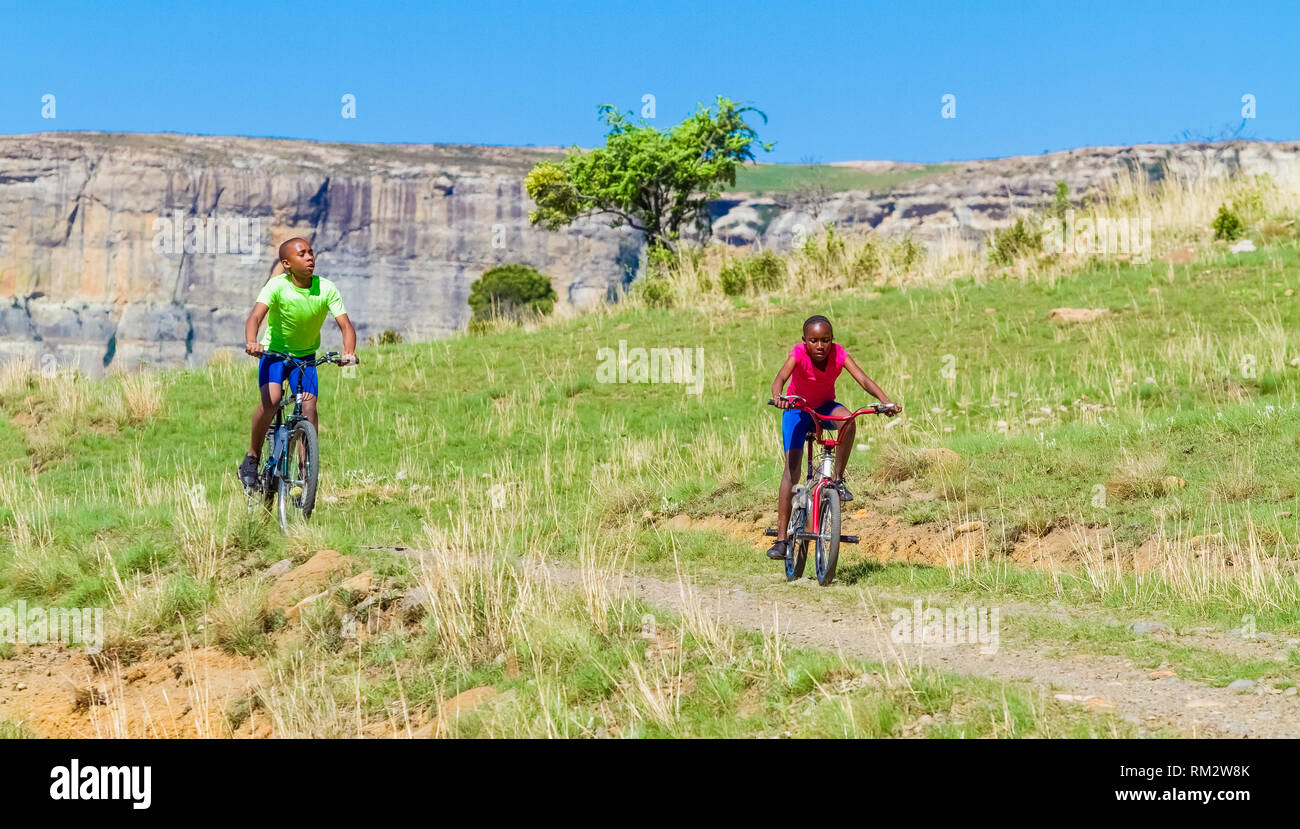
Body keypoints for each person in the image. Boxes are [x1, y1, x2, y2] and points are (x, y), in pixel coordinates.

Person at [766, 314, 900, 560]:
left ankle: (837, 479)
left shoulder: (839, 354)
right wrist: (779, 396)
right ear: (804, 341)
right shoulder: (798, 354)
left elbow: (863, 379)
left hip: (825, 407)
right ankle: (782, 540)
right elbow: (780, 379)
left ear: (832, 340)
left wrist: (885, 402)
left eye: (825, 340)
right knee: (791, 471)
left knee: (848, 420)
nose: (820, 346)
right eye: (814, 340)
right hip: (797, 409)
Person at [237, 237, 358, 486]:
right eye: (302, 254)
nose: (310, 257)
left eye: (311, 252)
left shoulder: (326, 288)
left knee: (309, 408)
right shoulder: (276, 286)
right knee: (271, 401)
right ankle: (252, 456)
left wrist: (348, 352)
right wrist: (252, 341)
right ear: (287, 263)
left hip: (305, 357)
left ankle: (305, 471)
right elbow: (255, 317)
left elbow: (345, 325)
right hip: (274, 353)